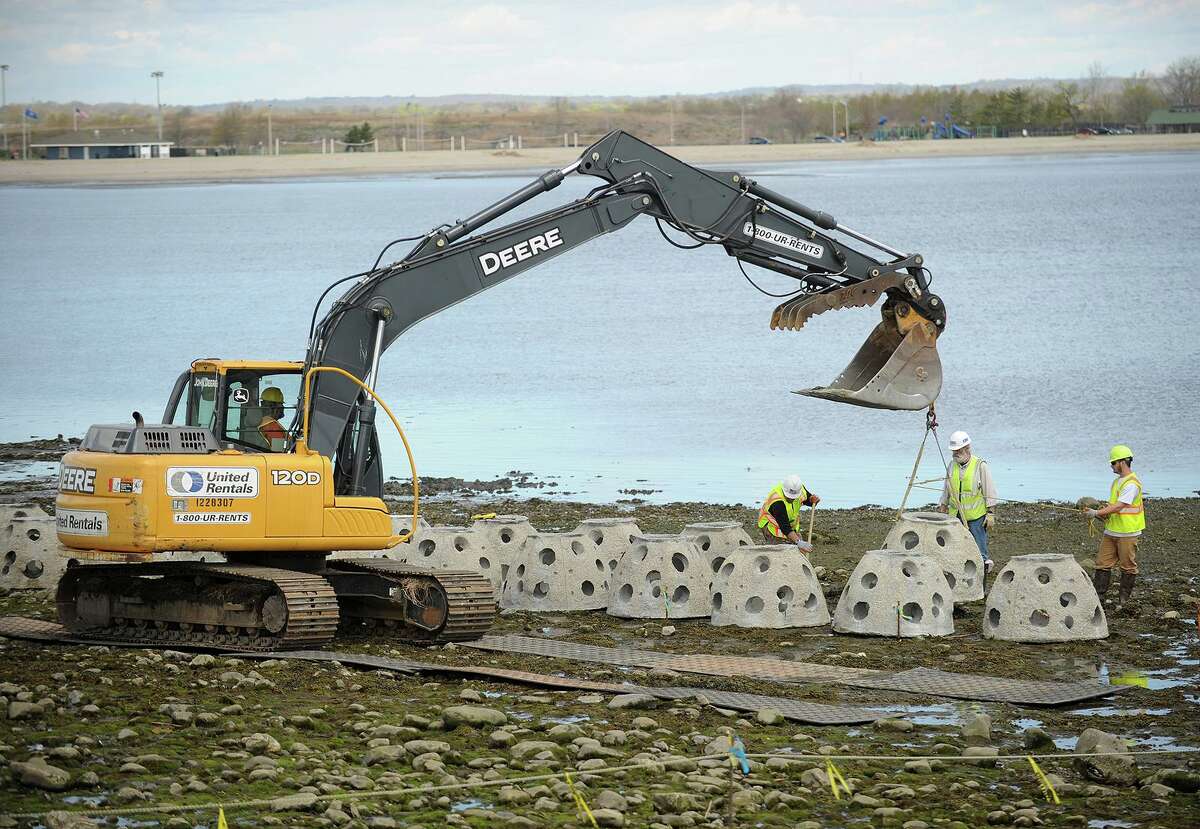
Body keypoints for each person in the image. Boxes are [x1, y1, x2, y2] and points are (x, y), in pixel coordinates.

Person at [1084, 445, 1144, 611]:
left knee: (1127, 566)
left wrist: (1097, 511)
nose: (1111, 466)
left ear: (1123, 462)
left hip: (1127, 533)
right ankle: (1099, 601)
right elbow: (1113, 507)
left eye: (1113, 463)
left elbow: (1120, 506)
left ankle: (1123, 602)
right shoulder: (1117, 482)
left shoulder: (1132, 484)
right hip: (1111, 531)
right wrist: (1100, 514)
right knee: (1102, 564)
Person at [938, 430, 997, 572]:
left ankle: (983, 571)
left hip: (975, 517)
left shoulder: (980, 465)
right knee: (955, 547)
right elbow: (947, 486)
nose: (955, 453)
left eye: (958, 450)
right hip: (955, 516)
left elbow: (990, 491)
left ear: (967, 448)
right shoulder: (952, 465)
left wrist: (991, 514)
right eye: (954, 451)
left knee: (979, 551)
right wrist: (943, 504)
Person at [758, 475, 820, 552]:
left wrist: (813, 500)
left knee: (798, 550)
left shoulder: (799, 490)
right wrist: (799, 542)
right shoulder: (777, 502)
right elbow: (785, 527)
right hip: (772, 525)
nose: (791, 499)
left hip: (790, 524)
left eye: (794, 497)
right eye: (789, 497)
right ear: (784, 490)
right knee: (780, 552)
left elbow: (808, 500)